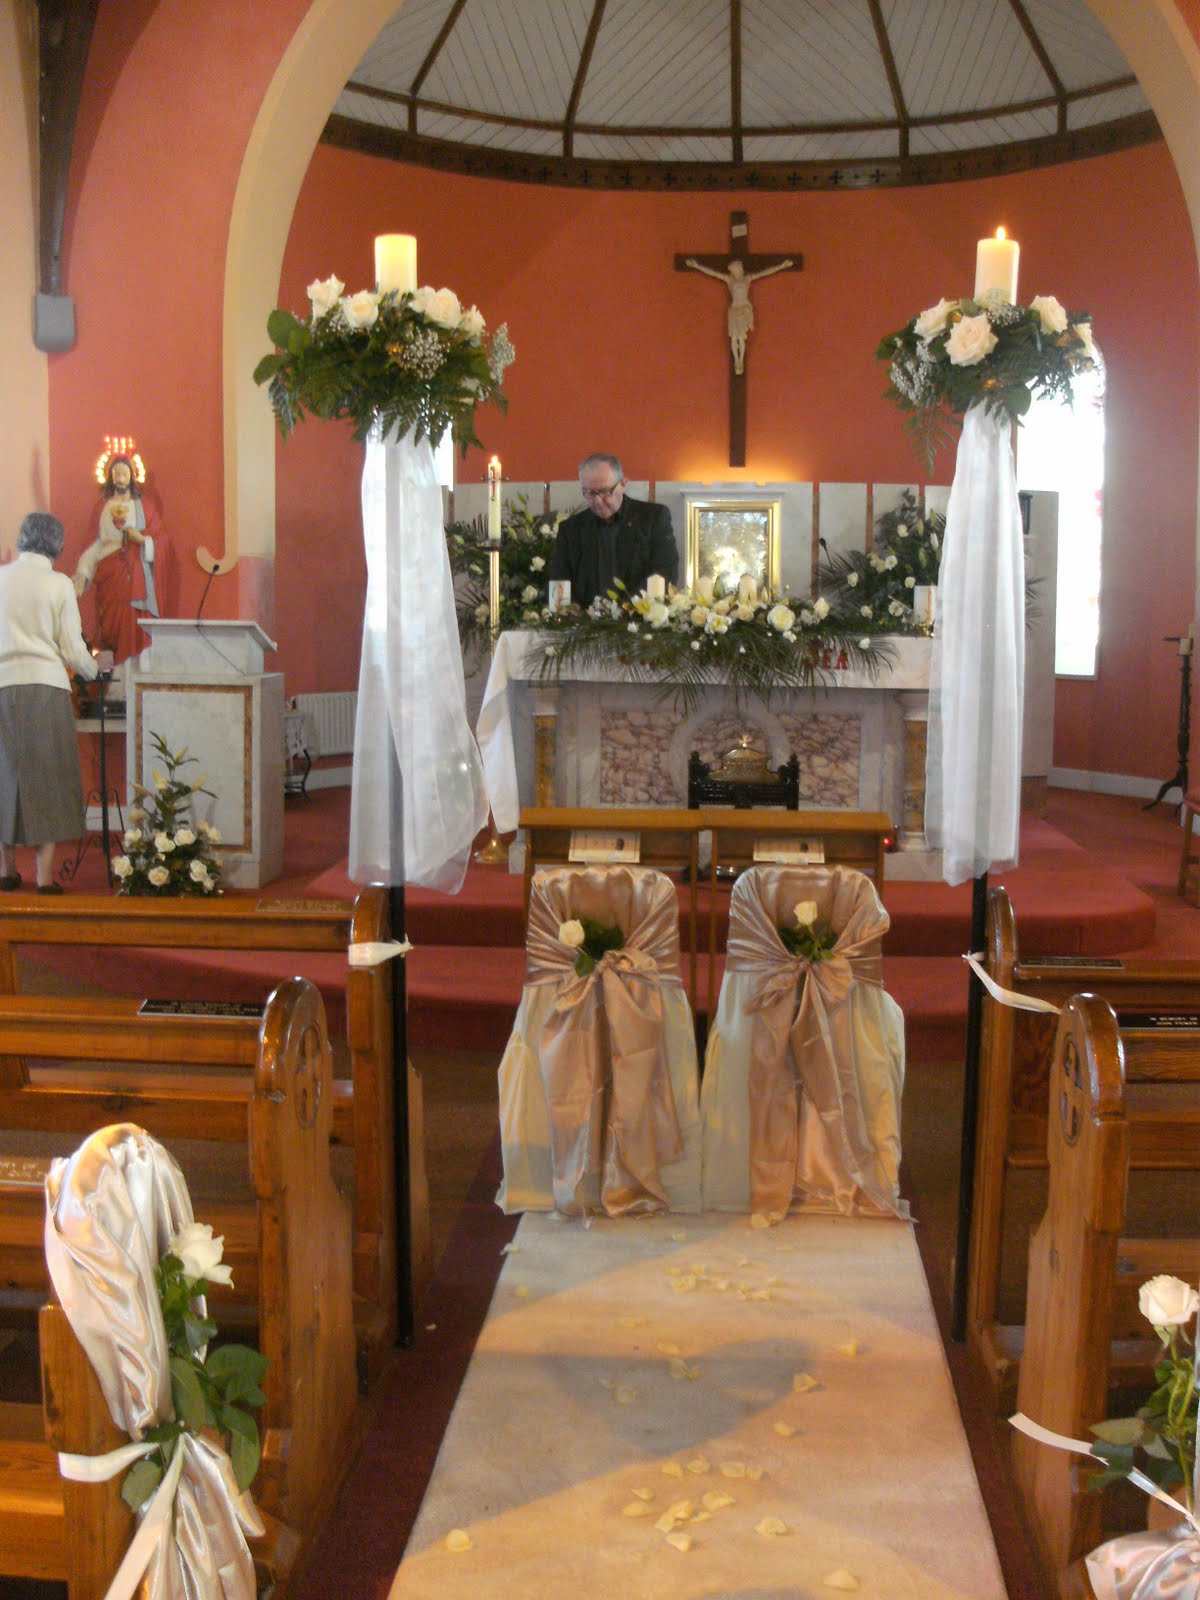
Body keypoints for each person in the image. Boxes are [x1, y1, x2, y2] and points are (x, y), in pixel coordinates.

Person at [0, 512, 100, 892]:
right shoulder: (58, 584)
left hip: (2, 686)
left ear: (23, 537)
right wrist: (94, 672)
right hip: (44, 686)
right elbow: (72, 647)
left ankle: (7, 870)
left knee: (4, 773)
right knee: (50, 777)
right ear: (56, 543)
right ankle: (44, 878)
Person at [548, 453, 678, 609]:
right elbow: (559, 580)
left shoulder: (653, 519)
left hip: (640, 621)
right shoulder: (570, 530)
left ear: (623, 484)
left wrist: (626, 611)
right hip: (585, 625)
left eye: (604, 491)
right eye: (590, 493)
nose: (597, 501)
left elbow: (665, 572)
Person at [73, 453, 163, 665]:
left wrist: (141, 539)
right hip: (108, 573)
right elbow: (94, 545)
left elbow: (161, 539)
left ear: (132, 476)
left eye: (124, 472)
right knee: (109, 623)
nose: (120, 477)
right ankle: (113, 676)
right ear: (109, 477)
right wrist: (83, 572)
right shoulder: (101, 507)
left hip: (133, 575)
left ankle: (131, 670)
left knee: (131, 622)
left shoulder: (145, 506)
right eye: (116, 473)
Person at [683, 256, 795, 375]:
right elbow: (713, 273)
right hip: (734, 310)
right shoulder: (729, 280)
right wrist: (697, 266)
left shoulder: (747, 279)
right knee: (734, 337)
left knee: (741, 337)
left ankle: (740, 360)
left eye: (740, 268)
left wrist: (781, 266)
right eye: (738, 268)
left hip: (744, 309)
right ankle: (736, 359)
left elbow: (764, 273)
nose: (740, 269)